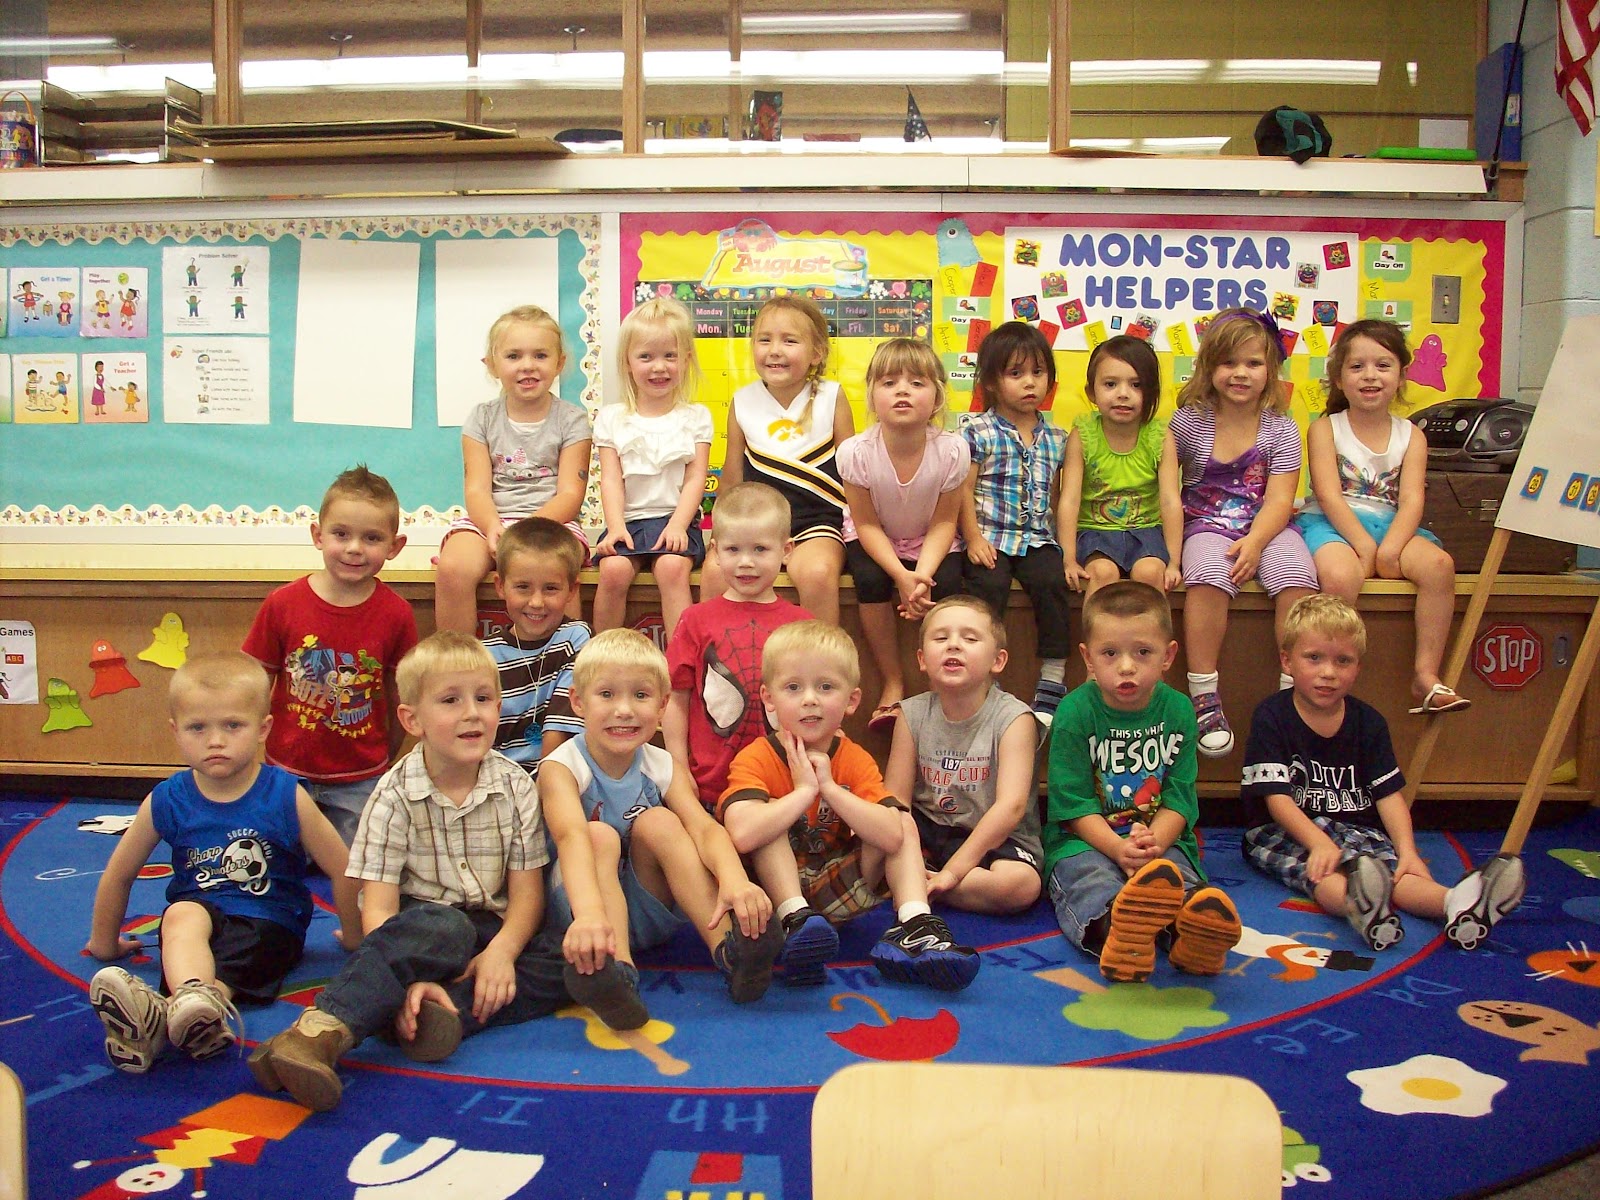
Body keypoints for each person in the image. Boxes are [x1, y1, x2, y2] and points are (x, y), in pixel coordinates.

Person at [246, 632, 644, 1113]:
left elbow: (526, 897)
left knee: (566, 957)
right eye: (451, 701)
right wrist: (406, 971)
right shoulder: (393, 794)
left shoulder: (517, 785)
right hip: (421, 926)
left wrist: (500, 952)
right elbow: (380, 909)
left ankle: (436, 1011)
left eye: (483, 699)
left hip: (492, 928)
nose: (472, 713)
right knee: (444, 926)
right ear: (412, 720)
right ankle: (323, 1028)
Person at [84, 652, 362, 1074]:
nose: (215, 740)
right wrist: (105, 943)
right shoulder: (166, 799)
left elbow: (341, 867)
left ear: (263, 729)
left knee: (248, 945)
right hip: (199, 928)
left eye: (233, 725)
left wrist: (356, 936)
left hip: (269, 923)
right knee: (179, 914)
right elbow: (120, 874)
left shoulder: (285, 794)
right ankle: (188, 1005)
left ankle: (180, 1007)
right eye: (198, 727)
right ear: (176, 732)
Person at [1241, 595, 1524, 952]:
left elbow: (1388, 795)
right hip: (1286, 830)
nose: (1328, 672)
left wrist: (1408, 851)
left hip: (1356, 830)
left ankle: (1457, 902)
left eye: (1343, 661)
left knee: (1396, 872)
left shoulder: (1369, 722)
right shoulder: (1272, 716)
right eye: (1314, 658)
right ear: (1287, 661)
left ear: (1357, 667)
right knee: (1322, 874)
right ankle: (1359, 906)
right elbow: (1277, 800)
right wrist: (1319, 844)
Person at [719, 620, 981, 991]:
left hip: (835, 883)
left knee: (899, 818)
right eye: (793, 688)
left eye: (825, 687)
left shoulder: (853, 759)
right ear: (769, 699)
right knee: (766, 820)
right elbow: (743, 834)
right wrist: (803, 794)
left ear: (851, 700)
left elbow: (892, 835)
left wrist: (829, 788)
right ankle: (797, 922)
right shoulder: (757, 757)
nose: (810, 699)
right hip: (770, 899)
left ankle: (915, 926)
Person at [541, 630, 783, 1003]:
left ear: (662, 705)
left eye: (640, 695)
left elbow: (704, 828)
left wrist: (735, 881)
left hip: (644, 907)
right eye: (607, 695)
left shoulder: (661, 764)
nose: (624, 710)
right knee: (598, 835)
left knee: (661, 822)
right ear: (577, 702)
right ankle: (618, 972)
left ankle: (731, 952)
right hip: (582, 916)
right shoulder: (561, 767)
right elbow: (571, 839)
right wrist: (589, 915)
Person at [1045, 581, 1242, 983]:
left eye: (1143, 652)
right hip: (1086, 839)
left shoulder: (1179, 710)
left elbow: (1179, 799)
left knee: (1173, 877)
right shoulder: (1075, 711)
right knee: (1089, 880)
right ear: (1088, 658)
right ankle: (1116, 931)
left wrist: (1153, 841)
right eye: (1110, 653)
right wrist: (1118, 848)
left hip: (1159, 837)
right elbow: (1073, 805)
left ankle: (1190, 930)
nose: (1127, 666)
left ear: (1168, 656)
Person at [1298, 319, 1467, 715]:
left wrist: (1390, 549)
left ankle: (1426, 675)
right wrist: (1363, 545)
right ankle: (1329, 674)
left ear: (1401, 376)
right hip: (1332, 523)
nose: (1370, 376)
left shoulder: (1412, 435)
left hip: (1392, 525)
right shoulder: (1325, 429)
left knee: (1440, 566)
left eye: (1383, 365)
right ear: (1338, 378)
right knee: (1342, 575)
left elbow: (1410, 500)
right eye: (1356, 367)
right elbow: (1328, 494)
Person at [1170, 308, 1318, 757]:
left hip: (1267, 526)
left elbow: (1279, 499)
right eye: (1229, 363)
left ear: (1270, 370)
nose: (1240, 374)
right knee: (1209, 577)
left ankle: (1293, 691)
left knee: (1298, 577)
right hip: (1205, 523)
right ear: (1208, 367)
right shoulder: (1190, 423)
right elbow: (1162, 485)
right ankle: (1204, 694)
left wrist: (1255, 542)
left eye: (1253, 363)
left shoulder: (1282, 428)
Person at [242, 465, 417, 843]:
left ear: (394, 547)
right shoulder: (282, 604)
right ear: (318, 536)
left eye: (371, 538)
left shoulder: (397, 614)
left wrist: (385, 755)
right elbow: (253, 681)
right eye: (341, 534)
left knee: (364, 864)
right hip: (285, 772)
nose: (354, 548)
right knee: (271, 860)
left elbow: (401, 693)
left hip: (360, 779)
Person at [837, 338, 970, 731]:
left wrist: (921, 577)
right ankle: (893, 680)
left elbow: (946, 522)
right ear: (872, 394)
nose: (903, 392)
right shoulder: (856, 452)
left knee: (948, 582)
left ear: (938, 396)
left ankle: (939, 687)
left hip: (930, 539)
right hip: (876, 538)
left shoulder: (952, 451)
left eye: (917, 383)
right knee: (869, 578)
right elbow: (866, 524)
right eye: (890, 382)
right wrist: (900, 575)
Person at [435, 304, 592, 635]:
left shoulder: (573, 420)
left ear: (560, 363)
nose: (528, 366)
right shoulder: (481, 418)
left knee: (557, 568)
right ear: (492, 365)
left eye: (540, 355)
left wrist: (524, 534)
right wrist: (493, 527)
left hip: (551, 522)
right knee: (452, 567)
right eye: (514, 356)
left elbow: (570, 494)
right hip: (489, 521)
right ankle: (457, 667)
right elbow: (477, 489)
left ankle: (566, 666)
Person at [884, 597, 1041, 914]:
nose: (953, 646)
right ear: (922, 659)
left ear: (997, 661)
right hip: (930, 829)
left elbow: (1010, 808)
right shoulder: (910, 714)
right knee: (882, 839)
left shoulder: (1015, 719)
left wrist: (953, 872)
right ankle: (920, 881)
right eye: (941, 638)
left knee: (1021, 885)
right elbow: (894, 800)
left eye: (969, 638)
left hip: (995, 835)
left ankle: (919, 886)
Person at [704, 294, 854, 624]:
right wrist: (720, 533)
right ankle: (714, 670)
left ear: (817, 352)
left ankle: (823, 667)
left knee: (816, 572)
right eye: (764, 340)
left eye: (789, 340)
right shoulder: (742, 400)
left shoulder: (832, 395)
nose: (775, 350)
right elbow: (732, 478)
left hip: (818, 524)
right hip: (755, 527)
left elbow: (854, 474)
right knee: (714, 571)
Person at [959, 320, 1073, 727]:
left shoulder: (1057, 437)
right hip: (990, 535)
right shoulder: (977, 431)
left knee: (1051, 583)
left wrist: (1064, 546)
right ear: (991, 381)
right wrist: (972, 538)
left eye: (1038, 373)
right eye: (1016, 374)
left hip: (1038, 538)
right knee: (986, 587)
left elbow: (1059, 498)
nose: (1030, 384)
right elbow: (962, 489)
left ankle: (1052, 677)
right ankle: (987, 676)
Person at [666, 482, 809, 805]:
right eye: (733, 550)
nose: (746, 562)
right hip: (709, 786)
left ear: (786, 551)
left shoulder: (803, 625)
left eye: (760, 549)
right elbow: (677, 697)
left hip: (782, 787)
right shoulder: (695, 620)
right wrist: (676, 765)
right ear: (715, 551)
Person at [592, 298, 714, 639]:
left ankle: (682, 664)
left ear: (686, 360)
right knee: (614, 570)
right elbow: (612, 479)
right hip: (628, 522)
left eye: (669, 356)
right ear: (628, 363)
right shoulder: (613, 418)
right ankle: (603, 656)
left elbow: (695, 480)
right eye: (646, 357)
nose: (658, 367)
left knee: (672, 568)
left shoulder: (696, 418)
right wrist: (615, 526)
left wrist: (678, 525)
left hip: (675, 522)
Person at [1059, 335, 1183, 596]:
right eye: (1110, 384)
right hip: (1095, 532)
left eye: (1136, 385)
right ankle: (1096, 637)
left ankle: (1152, 636)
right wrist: (1068, 558)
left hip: (1146, 531)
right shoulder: (1083, 435)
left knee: (1149, 573)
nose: (1123, 394)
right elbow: (1068, 500)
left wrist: (1173, 562)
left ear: (1151, 392)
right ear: (1091, 391)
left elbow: (1171, 501)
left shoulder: (1160, 436)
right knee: (1103, 574)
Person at [482, 517, 590, 777]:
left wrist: (541, 788)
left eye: (551, 588)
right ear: (500, 587)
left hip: (556, 774)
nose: (537, 602)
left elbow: (560, 731)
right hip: (496, 779)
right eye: (522, 587)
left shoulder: (574, 637)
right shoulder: (483, 655)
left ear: (572, 590)